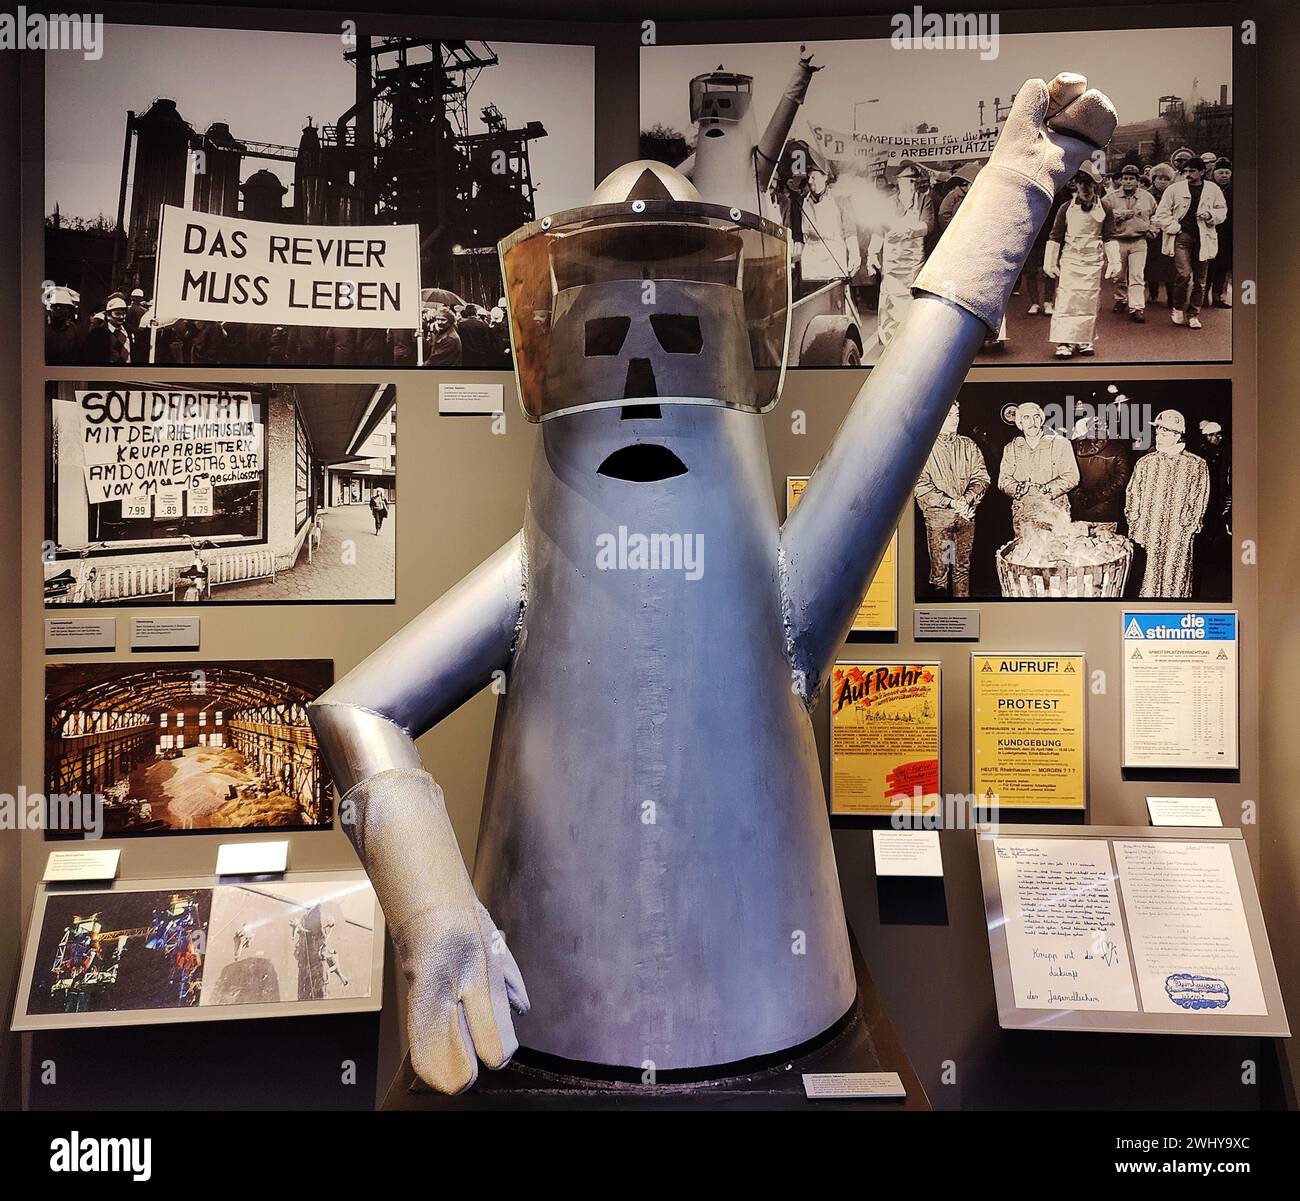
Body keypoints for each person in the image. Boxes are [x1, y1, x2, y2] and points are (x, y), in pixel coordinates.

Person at [1124, 408, 1210, 597]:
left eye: (1165, 431)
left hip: (1178, 534)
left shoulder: (1196, 464)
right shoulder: (1146, 463)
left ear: (1177, 434)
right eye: (1158, 431)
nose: (1159, 435)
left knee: (1176, 580)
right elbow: (1132, 494)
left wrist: (1189, 527)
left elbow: (1199, 499)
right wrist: (1135, 522)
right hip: (1147, 533)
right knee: (1147, 581)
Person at [1043, 161, 1120, 357]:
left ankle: (1084, 340)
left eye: (1089, 184)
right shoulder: (1065, 208)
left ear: (1096, 185)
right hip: (1070, 260)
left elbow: (1110, 236)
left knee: (1088, 301)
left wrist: (1114, 261)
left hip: (1093, 262)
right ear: (1075, 185)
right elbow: (1055, 236)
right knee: (1067, 301)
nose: (1085, 188)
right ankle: (1065, 342)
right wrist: (1050, 262)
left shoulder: (1105, 208)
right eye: (1081, 183)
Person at [914, 401, 989, 596]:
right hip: (941, 523)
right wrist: (951, 502)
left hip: (964, 521)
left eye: (956, 414)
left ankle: (961, 611)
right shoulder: (925, 448)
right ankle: (939, 615)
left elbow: (982, 477)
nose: (954, 419)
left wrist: (967, 499)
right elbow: (920, 485)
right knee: (941, 571)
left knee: (961, 570)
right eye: (949, 415)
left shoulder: (968, 446)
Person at [1154, 148, 1227, 330]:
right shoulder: (1174, 189)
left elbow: (1222, 211)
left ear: (1202, 172)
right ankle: (1178, 308)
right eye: (1185, 171)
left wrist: (1210, 214)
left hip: (1204, 237)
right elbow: (1161, 213)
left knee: (1201, 280)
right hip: (1182, 236)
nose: (1188, 174)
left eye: (1192, 171)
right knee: (1184, 275)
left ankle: (1194, 314)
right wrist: (1175, 227)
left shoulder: (1213, 189)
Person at [868, 160, 933, 347]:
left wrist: (905, 231)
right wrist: (872, 255)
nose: (911, 185)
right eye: (907, 181)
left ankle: (912, 344)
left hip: (913, 264)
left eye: (914, 181)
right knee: (890, 304)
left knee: (913, 304)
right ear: (898, 181)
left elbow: (928, 225)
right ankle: (890, 345)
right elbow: (879, 231)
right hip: (892, 264)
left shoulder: (923, 200)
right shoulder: (888, 202)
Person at [999, 401, 1080, 538]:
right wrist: (1018, 488)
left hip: (1055, 509)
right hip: (1024, 511)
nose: (1032, 422)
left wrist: (1047, 489)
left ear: (1041, 420)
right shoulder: (1011, 448)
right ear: (1019, 423)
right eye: (1026, 417)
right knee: (1026, 553)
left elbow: (1072, 476)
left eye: (1036, 416)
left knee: (1055, 552)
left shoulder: (1060, 443)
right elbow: (1003, 480)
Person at [792, 167, 860, 300]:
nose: (810, 181)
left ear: (825, 177)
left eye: (814, 177)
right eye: (809, 177)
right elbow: (798, 236)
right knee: (812, 300)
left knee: (836, 300)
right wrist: (793, 260)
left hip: (834, 258)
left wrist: (855, 255)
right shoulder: (801, 202)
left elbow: (850, 231)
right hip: (811, 260)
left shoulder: (841, 200)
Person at [1104, 163, 1155, 322]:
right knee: (1118, 275)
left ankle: (1137, 308)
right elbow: (1102, 216)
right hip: (1118, 240)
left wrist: (1153, 229)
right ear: (1120, 180)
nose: (1127, 182)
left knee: (1137, 275)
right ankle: (1121, 298)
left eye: (1131, 179)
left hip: (1139, 240)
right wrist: (1119, 215)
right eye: (1125, 178)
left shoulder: (1147, 197)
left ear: (1138, 181)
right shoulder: (1110, 198)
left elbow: (1157, 215)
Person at [1070, 414, 1131, 522]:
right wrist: (1097, 496)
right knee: (1105, 538)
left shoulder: (1073, 446)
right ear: (1107, 429)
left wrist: (1079, 495)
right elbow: (1122, 478)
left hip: (1077, 506)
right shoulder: (1117, 448)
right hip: (1106, 509)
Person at [1144, 162, 1177, 307]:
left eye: (1166, 179)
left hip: (1169, 233)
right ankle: (1153, 293)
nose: (1162, 182)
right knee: (1151, 264)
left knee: (1171, 265)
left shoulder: (1175, 194)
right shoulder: (1147, 195)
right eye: (1159, 178)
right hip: (1153, 234)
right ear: (1153, 179)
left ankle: (1171, 296)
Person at [1208, 157, 1233, 307]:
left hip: (1228, 233)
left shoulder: (1236, 189)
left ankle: (1219, 297)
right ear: (1214, 174)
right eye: (1221, 172)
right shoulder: (1208, 188)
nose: (1224, 175)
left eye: (1227, 172)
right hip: (1210, 230)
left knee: (1223, 265)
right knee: (1207, 265)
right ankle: (1202, 296)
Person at [81, 292, 132, 364]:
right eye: (117, 314)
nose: (121, 317)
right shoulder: (97, 334)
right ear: (108, 315)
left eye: (124, 314)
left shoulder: (128, 330)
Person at [44, 286, 80, 364]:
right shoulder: (42, 328)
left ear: (68, 309)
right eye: (55, 305)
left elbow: (76, 352)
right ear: (50, 307)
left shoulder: (73, 328)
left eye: (62, 306)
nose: (58, 308)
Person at [456, 303, 494, 368]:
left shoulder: (460, 325)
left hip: (466, 355)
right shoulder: (483, 325)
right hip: (480, 355)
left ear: (466, 313)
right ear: (475, 312)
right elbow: (486, 342)